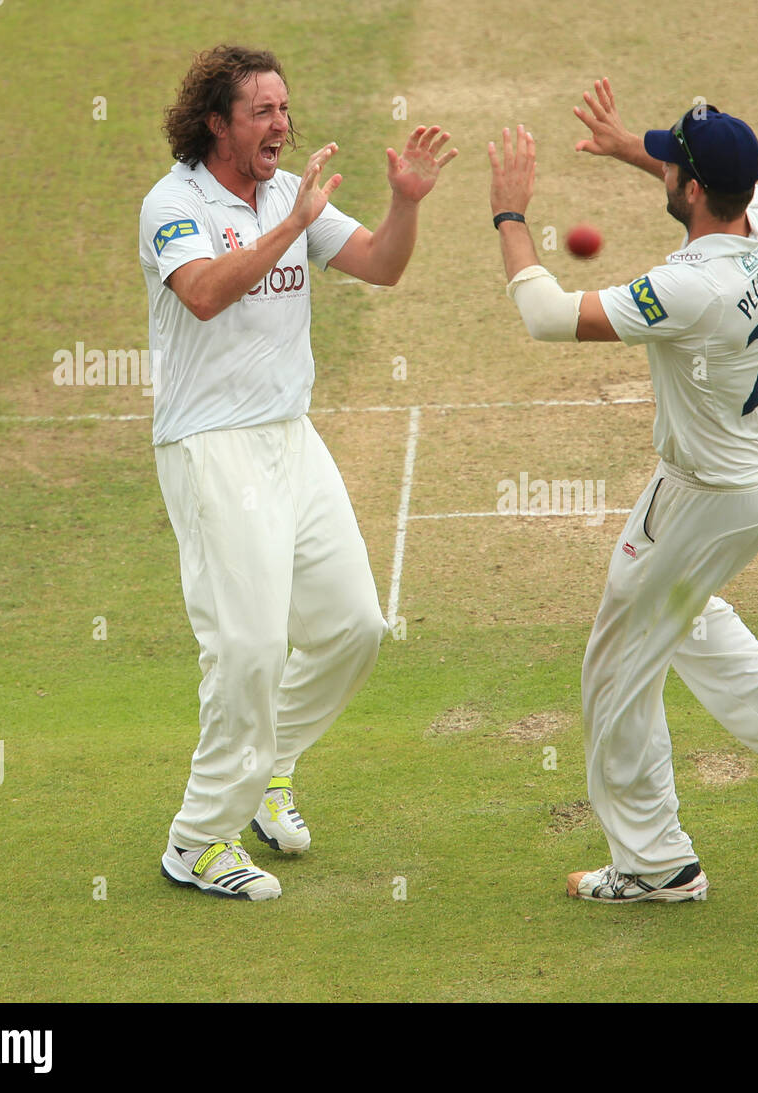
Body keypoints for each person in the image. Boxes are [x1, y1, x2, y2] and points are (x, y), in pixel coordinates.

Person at [487, 78, 758, 905]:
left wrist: (510, 216)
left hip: (693, 501)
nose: (661, 165)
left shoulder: (690, 285)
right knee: (684, 619)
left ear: (690, 188)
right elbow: (704, 179)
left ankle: (657, 864)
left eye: (670, 163)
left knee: (617, 668)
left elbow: (547, 314)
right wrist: (634, 149)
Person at [139, 44, 456, 900]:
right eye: (262, 113)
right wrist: (288, 224)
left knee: (354, 625)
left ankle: (268, 768)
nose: (281, 125)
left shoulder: (289, 194)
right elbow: (203, 292)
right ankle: (197, 840)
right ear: (218, 122)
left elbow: (383, 265)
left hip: (291, 437)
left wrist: (403, 203)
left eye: (284, 108)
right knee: (246, 646)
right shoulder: (175, 203)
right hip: (211, 444)